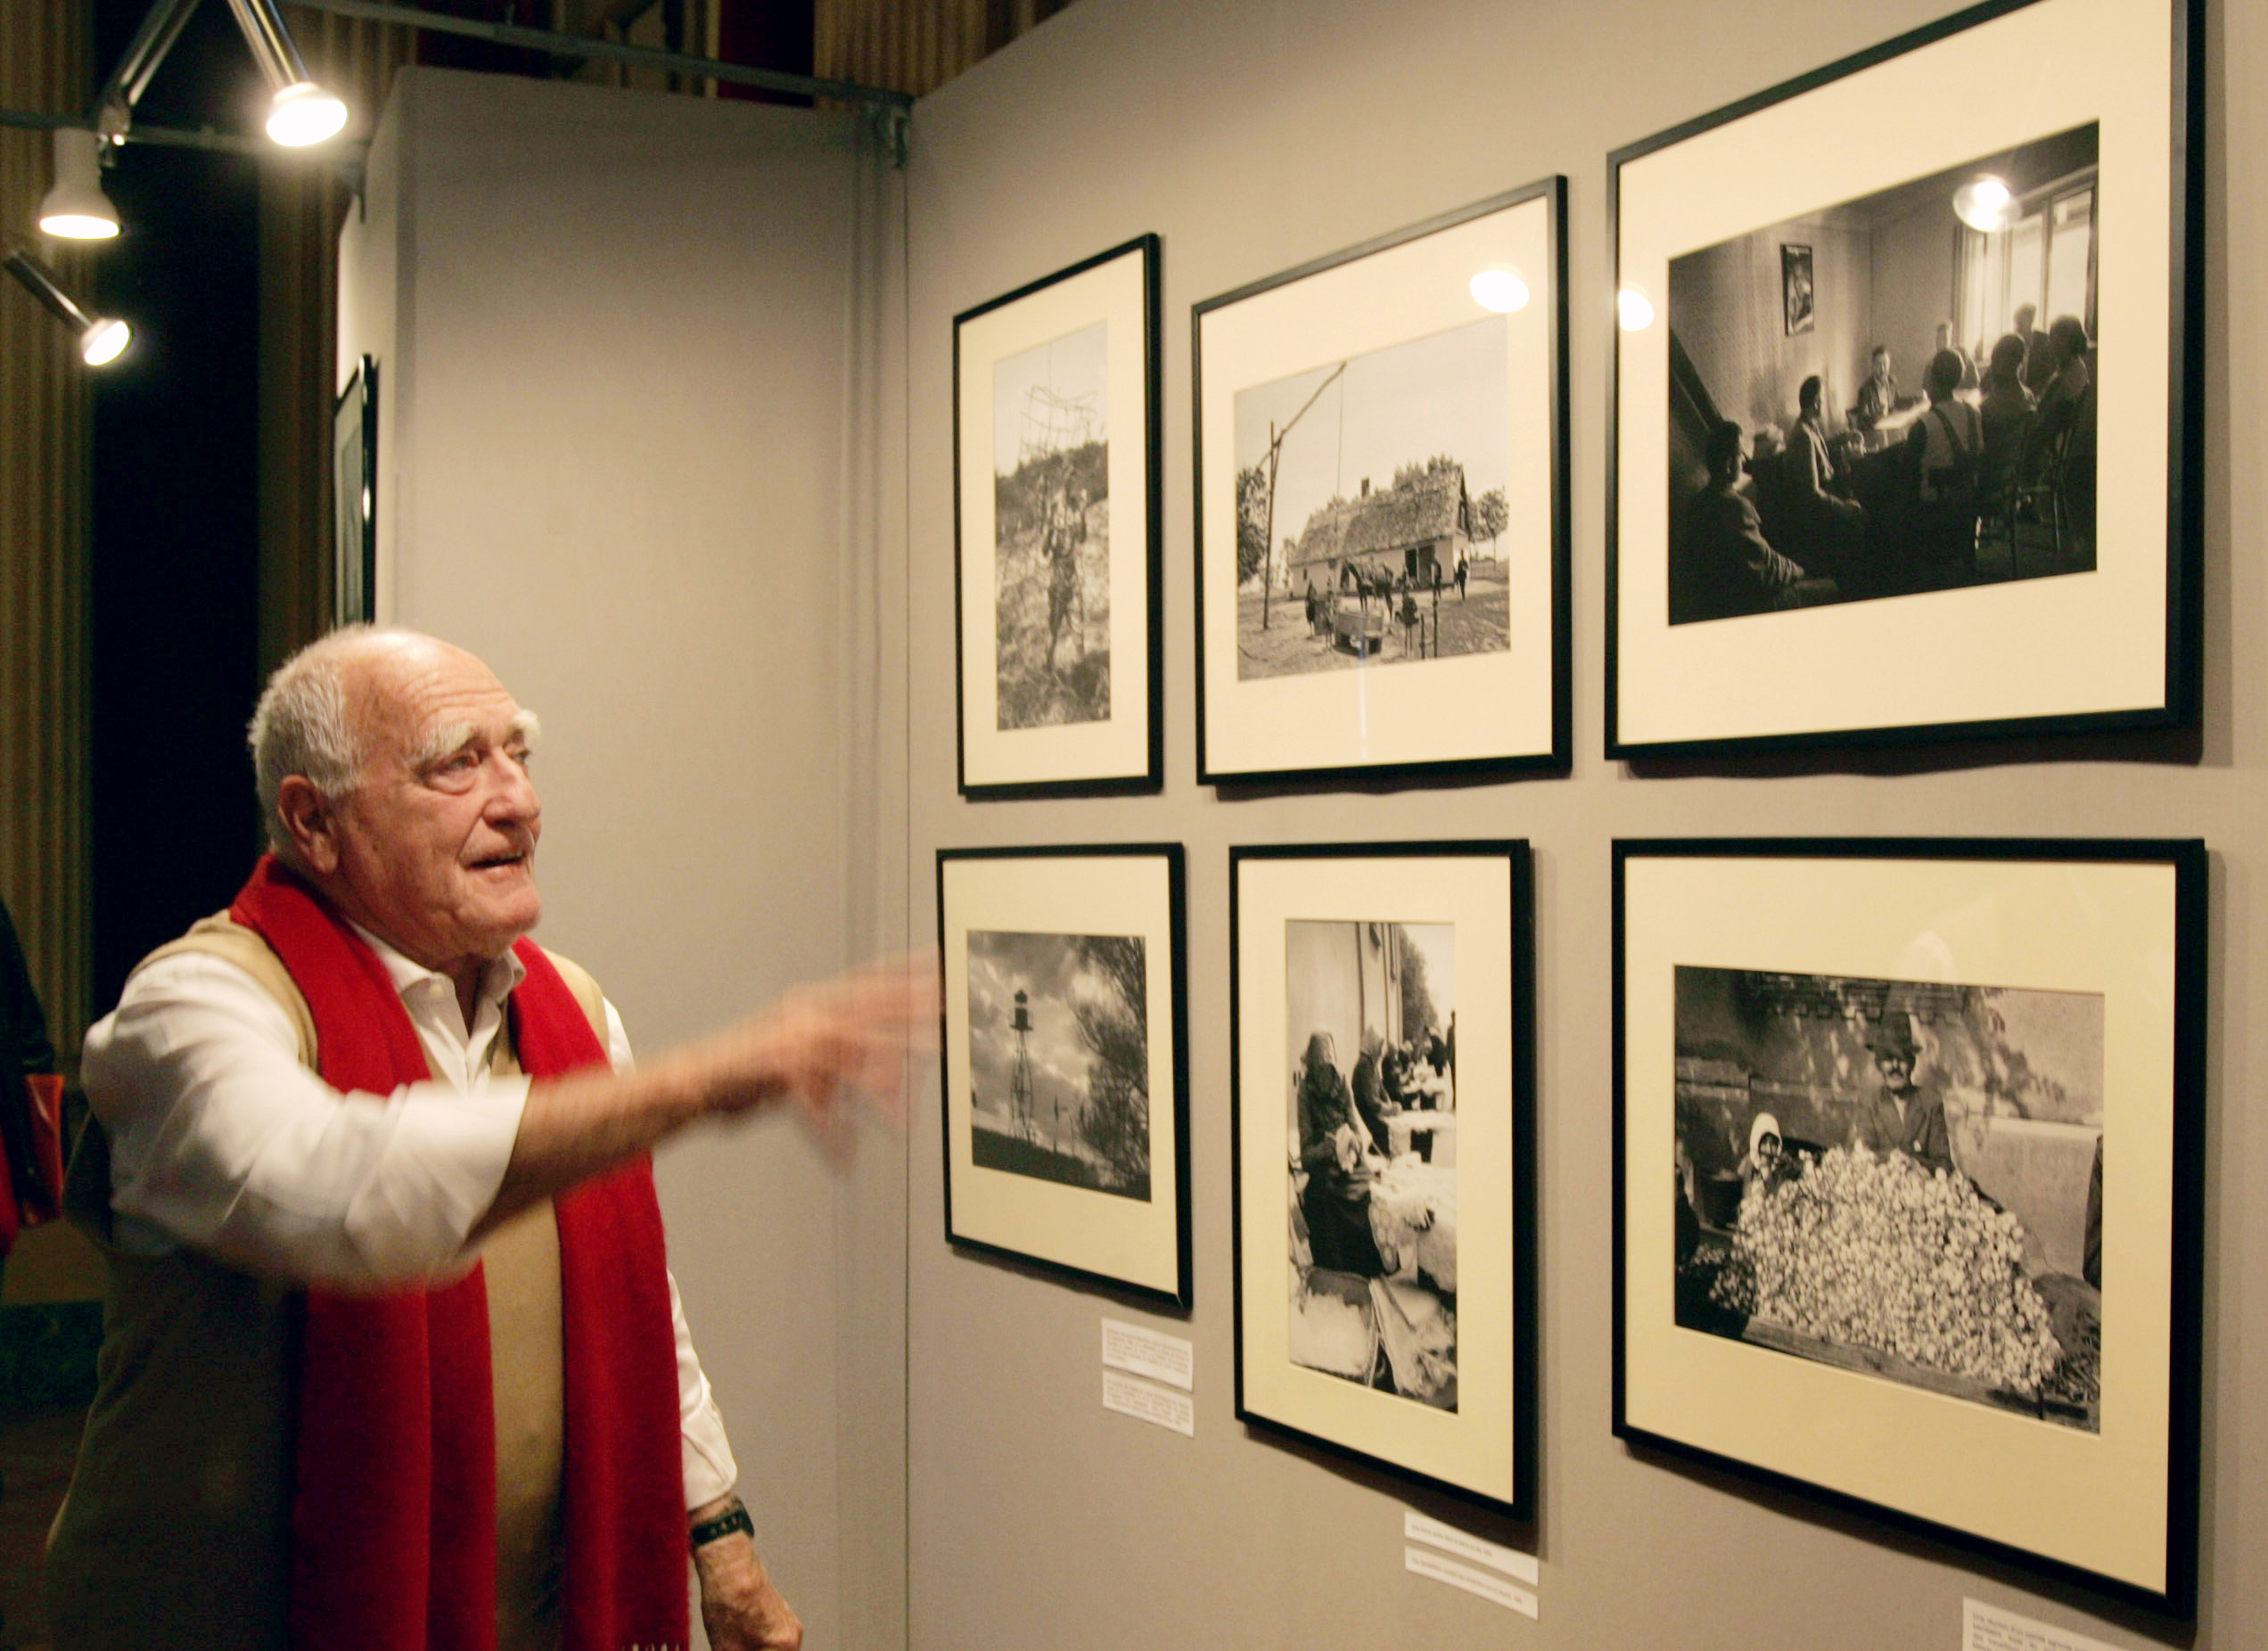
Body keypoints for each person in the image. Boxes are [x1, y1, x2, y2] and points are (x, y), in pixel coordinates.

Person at [47, 627, 934, 1651]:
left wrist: (720, 1531)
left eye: (519, 751)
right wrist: (710, 1076)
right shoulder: (192, 1007)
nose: (518, 799)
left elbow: (645, 1298)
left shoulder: (572, 1008)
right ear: (314, 819)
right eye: (457, 762)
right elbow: (343, 1195)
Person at [1683, 420, 1837, 620]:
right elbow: (1767, 570)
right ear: (1730, 465)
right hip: (1748, 605)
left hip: (1720, 601)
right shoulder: (1736, 507)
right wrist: (1798, 570)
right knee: (1831, 587)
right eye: (1740, 454)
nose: (1744, 459)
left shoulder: (1698, 503)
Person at [1293, 1031, 1387, 1277]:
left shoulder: (1343, 1082)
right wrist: (1324, 1148)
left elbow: (1355, 1126)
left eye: (1330, 1070)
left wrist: (1353, 1142)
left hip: (1348, 1160)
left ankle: (1368, 1264)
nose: (1326, 1077)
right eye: (1320, 1071)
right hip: (1323, 1164)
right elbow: (1305, 1155)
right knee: (1325, 1194)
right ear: (1312, 1069)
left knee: (1369, 1185)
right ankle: (1339, 1267)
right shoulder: (1305, 1092)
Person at [1852, 1011, 1956, 1176]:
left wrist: (1916, 1164)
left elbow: (1944, 1163)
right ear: (1879, 1065)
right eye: (1887, 1058)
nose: (1894, 1066)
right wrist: (1893, 1158)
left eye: (1901, 1058)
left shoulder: (1931, 1103)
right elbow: (1864, 1152)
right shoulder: (1870, 1102)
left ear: (1912, 1063)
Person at [1913, 347, 1986, 568]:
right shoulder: (1974, 413)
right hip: (1967, 499)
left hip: (1936, 506)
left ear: (1931, 378)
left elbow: (1907, 474)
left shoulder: (1924, 424)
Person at [1977, 332, 2036, 503]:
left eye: (1994, 362)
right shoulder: (2028, 396)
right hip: (2015, 473)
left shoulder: (1989, 406)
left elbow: (1980, 447)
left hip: (1990, 476)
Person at [1045, 476, 1088, 671]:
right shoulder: (1053, 509)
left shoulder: (1076, 507)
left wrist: (1082, 515)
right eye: (1067, 482)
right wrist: (1051, 532)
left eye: (1072, 482)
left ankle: (1081, 668)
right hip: (1057, 577)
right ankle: (1047, 666)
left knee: (1078, 625)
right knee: (1053, 627)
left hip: (1072, 578)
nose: (1070, 487)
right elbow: (1044, 549)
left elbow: (1081, 537)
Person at [1738, 1112, 1796, 1212]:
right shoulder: (1747, 1164)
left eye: (1773, 1144)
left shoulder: (1783, 1169)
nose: (1769, 1149)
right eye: (1764, 1143)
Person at [1854, 346, 1901, 431]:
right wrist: (1876, 418)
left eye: (1885, 364)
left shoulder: (1892, 382)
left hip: (1892, 428)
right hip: (1875, 432)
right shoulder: (1865, 389)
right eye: (1878, 364)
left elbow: (1897, 405)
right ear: (1872, 366)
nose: (1882, 369)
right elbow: (1861, 423)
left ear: (1889, 364)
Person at [1933, 320, 1979, 390]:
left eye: (1945, 337)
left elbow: (1975, 381)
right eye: (1939, 338)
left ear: (1951, 338)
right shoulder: (1934, 363)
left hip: (1965, 393)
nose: (1942, 342)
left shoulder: (1962, 353)